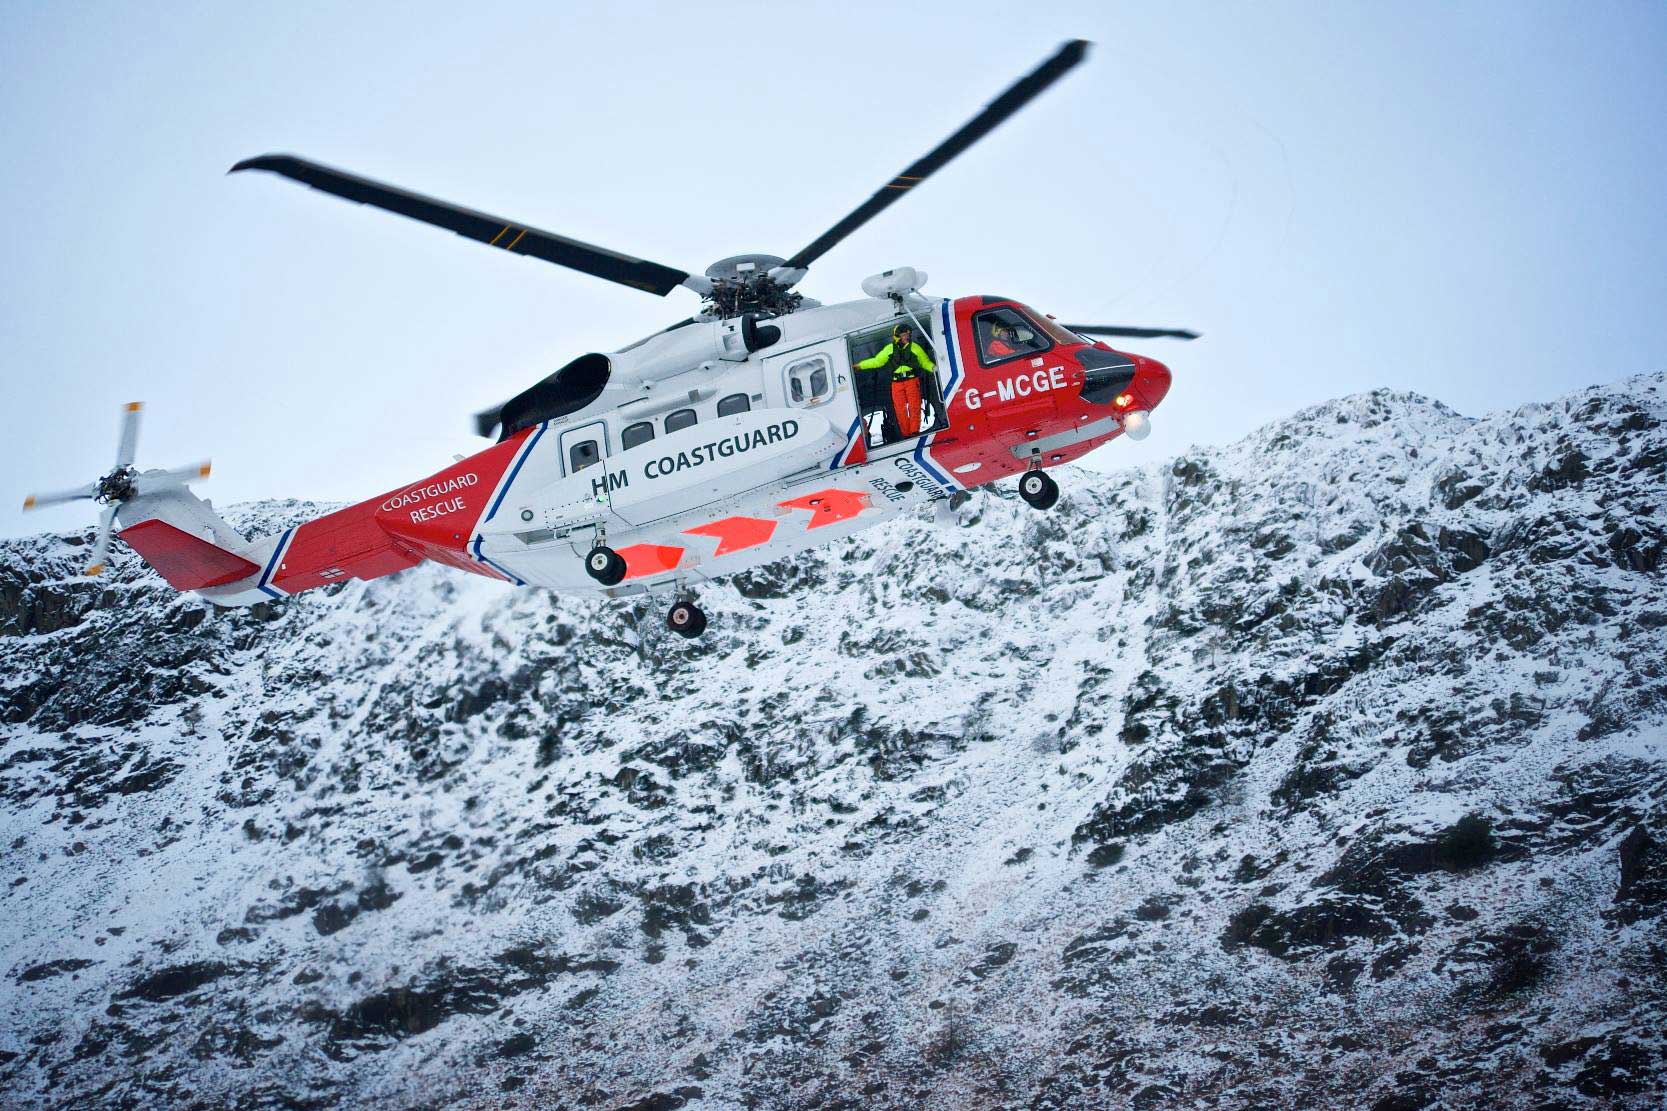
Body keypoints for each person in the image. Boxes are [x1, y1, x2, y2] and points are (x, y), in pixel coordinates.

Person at [855, 323, 936, 439]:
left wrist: (933, 368)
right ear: (897, 337)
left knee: (915, 406)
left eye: (907, 334)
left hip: (912, 381)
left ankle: (914, 431)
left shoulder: (915, 348)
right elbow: (877, 361)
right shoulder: (889, 349)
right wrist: (860, 366)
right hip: (896, 383)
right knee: (899, 410)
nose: (907, 337)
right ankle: (906, 434)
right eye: (904, 335)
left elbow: (924, 361)